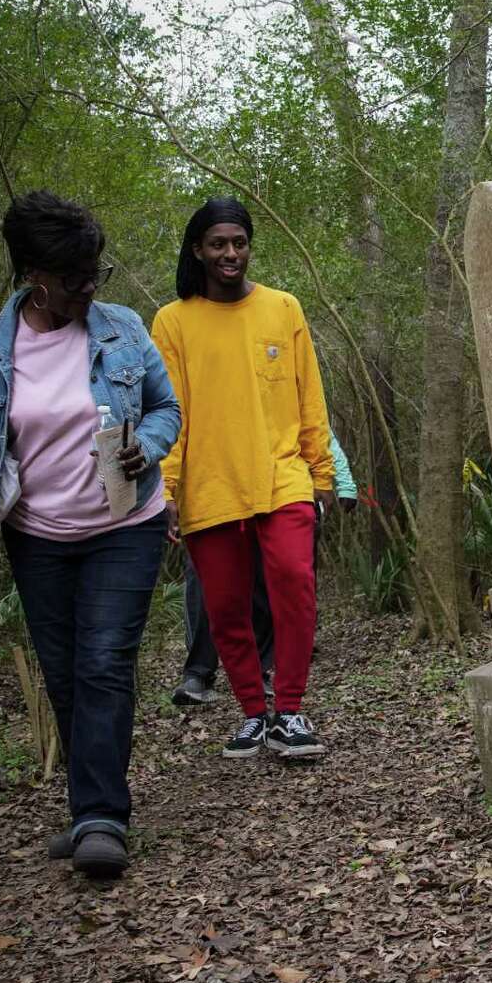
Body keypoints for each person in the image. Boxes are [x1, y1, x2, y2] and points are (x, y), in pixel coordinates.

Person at [0, 190, 179, 879]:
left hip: (126, 523)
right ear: (34, 273)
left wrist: (147, 446)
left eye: (96, 272)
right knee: (66, 675)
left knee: (102, 662)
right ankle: (89, 807)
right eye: (74, 278)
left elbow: (166, 409)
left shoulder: (121, 328)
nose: (88, 289)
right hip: (37, 536)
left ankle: (101, 817)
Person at [152, 197, 333, 760]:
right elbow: (169, 412)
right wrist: (167, 489)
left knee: (294, 586)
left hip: (282, 478)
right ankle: (254, 713)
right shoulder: (173, 321)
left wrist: (321, 470)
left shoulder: (284, 308)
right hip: (212, 485)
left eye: (239, 242)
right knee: (225, 608)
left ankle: (293, 711)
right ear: (198, 251)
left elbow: (309, 395)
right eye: (218, 244)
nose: (230, 253)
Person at [169, 432, 355, 707]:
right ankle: (198, 672)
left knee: (266, 584)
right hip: (212, 491)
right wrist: (166, 486)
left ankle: (259, 671)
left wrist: (342, 483)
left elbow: (320, 430)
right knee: (206, 588)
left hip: (275, 491)